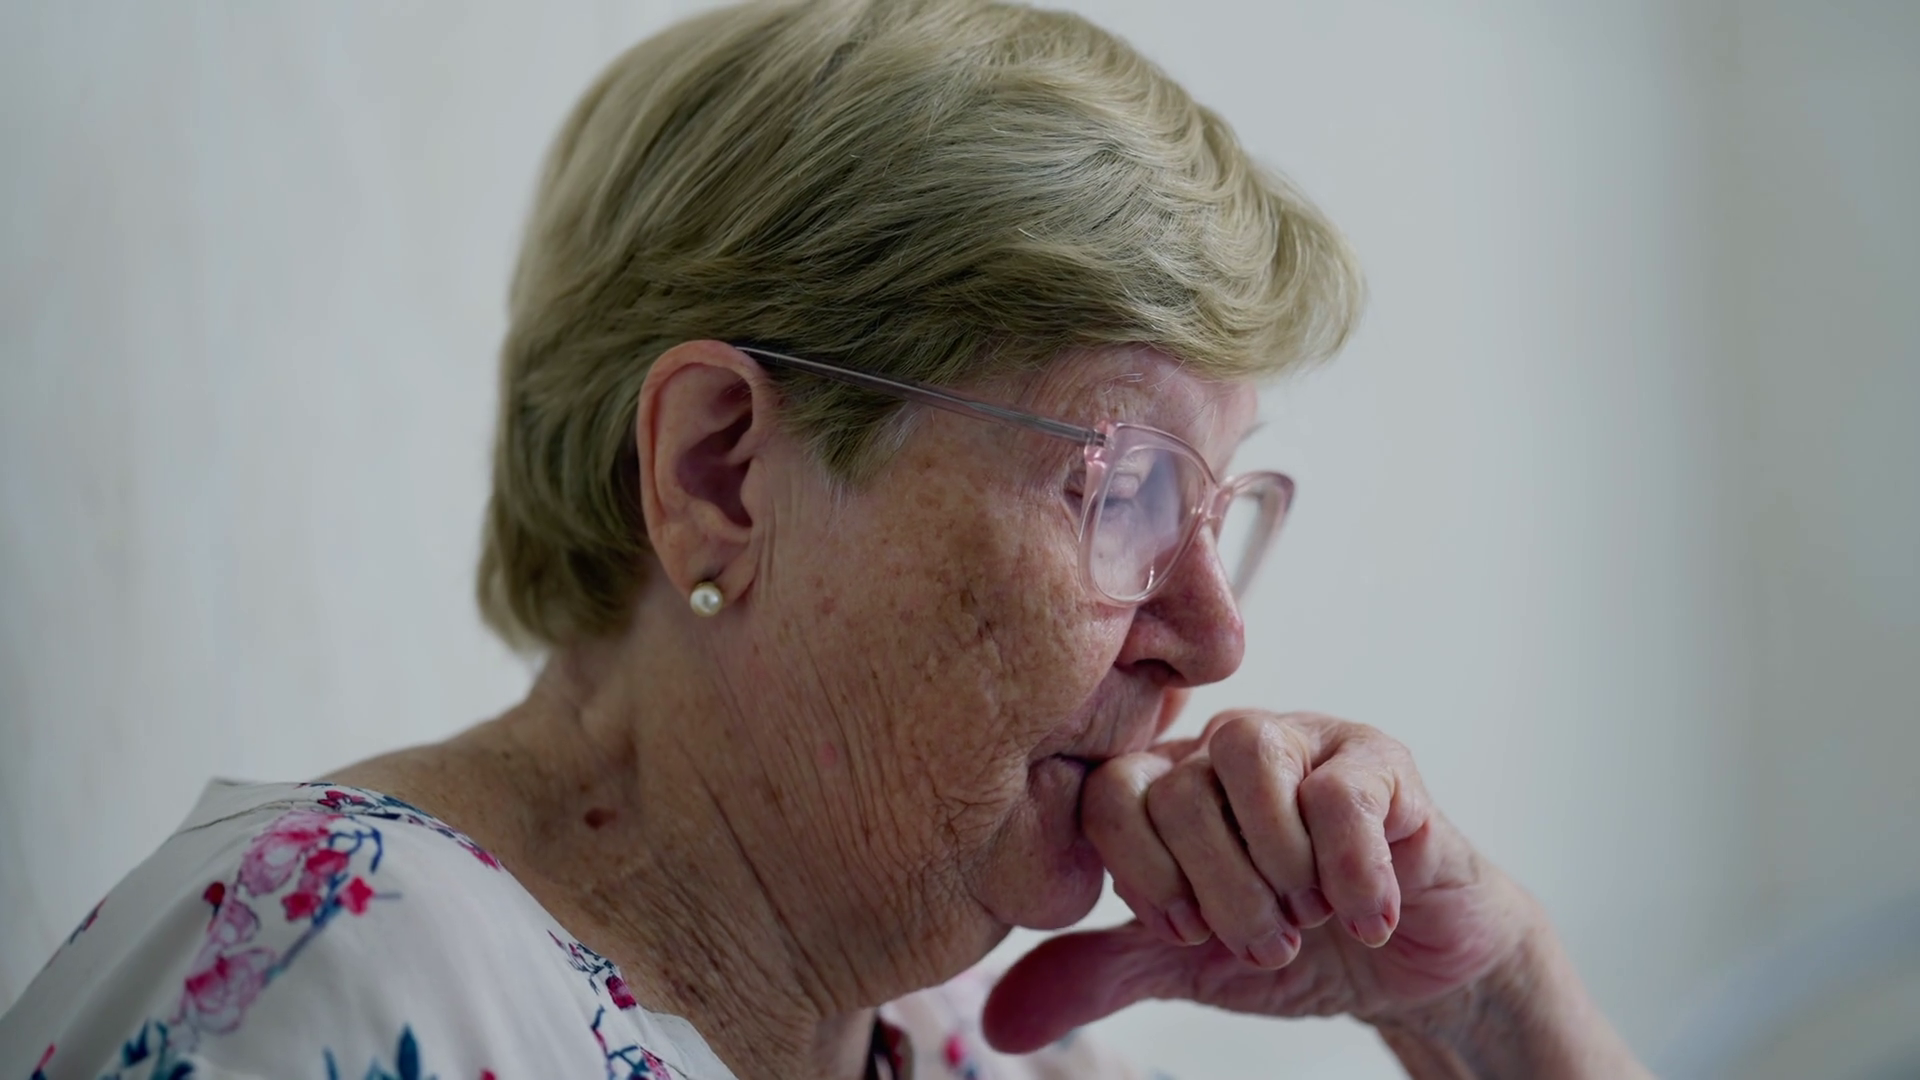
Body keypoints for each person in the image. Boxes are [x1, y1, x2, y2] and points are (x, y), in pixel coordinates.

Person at [0, 0, 1651, 1076]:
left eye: (1225, 511)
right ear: (722, 470)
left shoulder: (974, 1044)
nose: (1216, 637)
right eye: (1123, 484)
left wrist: (1485, 1015)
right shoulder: (331, 986)